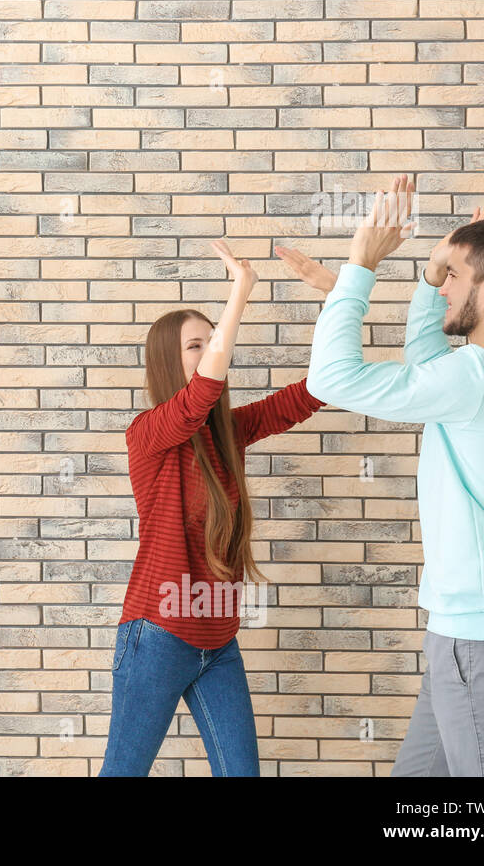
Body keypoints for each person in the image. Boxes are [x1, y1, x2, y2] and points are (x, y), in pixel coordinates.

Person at [301, 176, 484, 777]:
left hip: (482, 635)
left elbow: (331, 380)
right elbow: (428, 364)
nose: (446, 289)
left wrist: (359, 267)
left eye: (455, 278)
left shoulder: (477, 377)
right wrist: (429, 275)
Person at [101, 239, 326, 777]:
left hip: (218, 638)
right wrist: (241, 291)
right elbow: (202, 392)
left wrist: (338, 299)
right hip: (157, 633)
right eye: (195, 345)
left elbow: (314, 391)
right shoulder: (149, 434)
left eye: (210, 342)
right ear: (167, 363)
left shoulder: (230, 431)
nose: (208, 353)